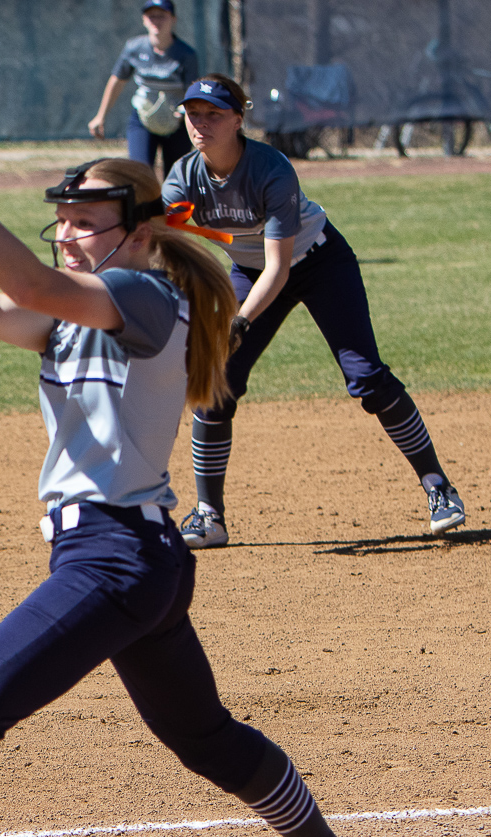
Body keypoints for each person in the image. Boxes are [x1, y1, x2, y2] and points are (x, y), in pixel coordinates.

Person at [0, 157, 392, 837]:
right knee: (205, 738)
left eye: (86, 221)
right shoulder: (80, 310)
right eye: (63, 219)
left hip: (113, 558)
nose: (67, 233)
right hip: (136, 558)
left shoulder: (147, 296)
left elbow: (29, 286)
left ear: (143, 232)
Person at [162, 75, 467, 548]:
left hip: (318, 263)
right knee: (215, 383)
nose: (200, 123)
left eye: (214, 114)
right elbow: (164, 245)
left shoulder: (270, 168)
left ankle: (439, 488)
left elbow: (280, 267)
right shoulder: (184, 177)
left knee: (366, 377)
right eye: (193, 113)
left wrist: (239, 323)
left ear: (239, 120)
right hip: (249, 270)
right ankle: (209, 515)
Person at [87, 0, 199, 176]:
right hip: (143, 119)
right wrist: (100, 116)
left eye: (162, 16)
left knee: (177, 178)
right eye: (151, 16)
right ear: (144, 20)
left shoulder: (186, 54)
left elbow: (192, 91)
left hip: (175, 123)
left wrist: (184, 113)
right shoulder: (134, 47)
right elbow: (117, 81)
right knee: (140, 174)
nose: (156, 20)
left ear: (173, 19)